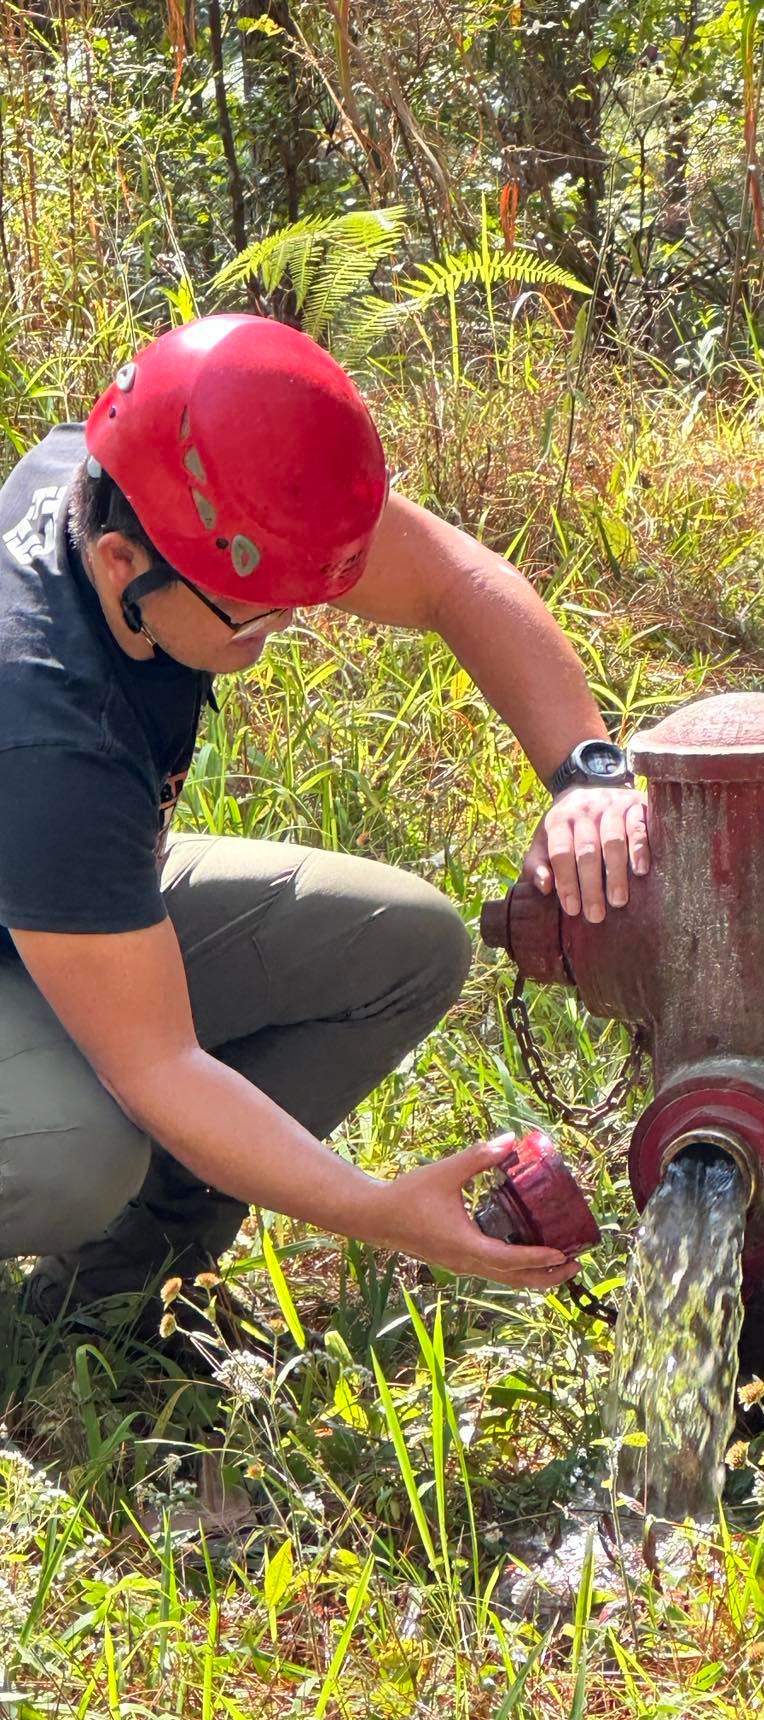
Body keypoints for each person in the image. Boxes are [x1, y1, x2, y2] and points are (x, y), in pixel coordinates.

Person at [0, 313, 650, 1321]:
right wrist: (383, 1212)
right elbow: (158, 1067)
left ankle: (124, 1290)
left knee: (402, 944)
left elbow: (449, 579)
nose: (283, 623)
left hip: (50, 899)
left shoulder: (158, 480)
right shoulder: (45, 726)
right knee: (81, 1149)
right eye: (251, 609)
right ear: (124, 563)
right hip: (39, 883)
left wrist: (589, 776)